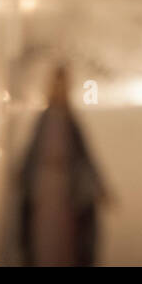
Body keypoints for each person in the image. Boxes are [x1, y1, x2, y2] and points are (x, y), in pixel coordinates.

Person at [16, 64, 109, 266]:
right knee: (43, 233)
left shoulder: (71, 120)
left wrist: (99, 187)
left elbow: (85, 156)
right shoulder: (43, 118)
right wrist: (22, 175)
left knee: (64, 236)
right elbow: (32, 151)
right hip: (44, 185)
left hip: (64, 187)